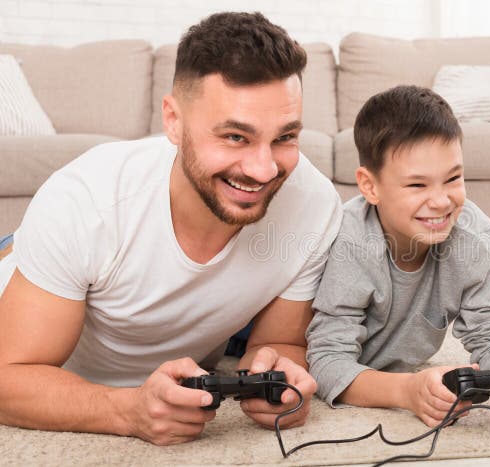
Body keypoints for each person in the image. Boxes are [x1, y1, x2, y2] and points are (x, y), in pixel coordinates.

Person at [0, 12, 342, 445]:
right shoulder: (85, 199)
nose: (263, 169)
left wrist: (274, 376)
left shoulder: (314, 205)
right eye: (235, 137)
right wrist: (126, 411)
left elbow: (279, 341)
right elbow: (8, 379)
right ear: (173, 121)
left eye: (285, 137)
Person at [305, 85, 490, 427]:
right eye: (417, 185)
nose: (441, 201)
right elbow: (325, 362)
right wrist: (406, 391)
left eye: (453, 178)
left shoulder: (476, 238)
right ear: (370, 186)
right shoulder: (351, 242)